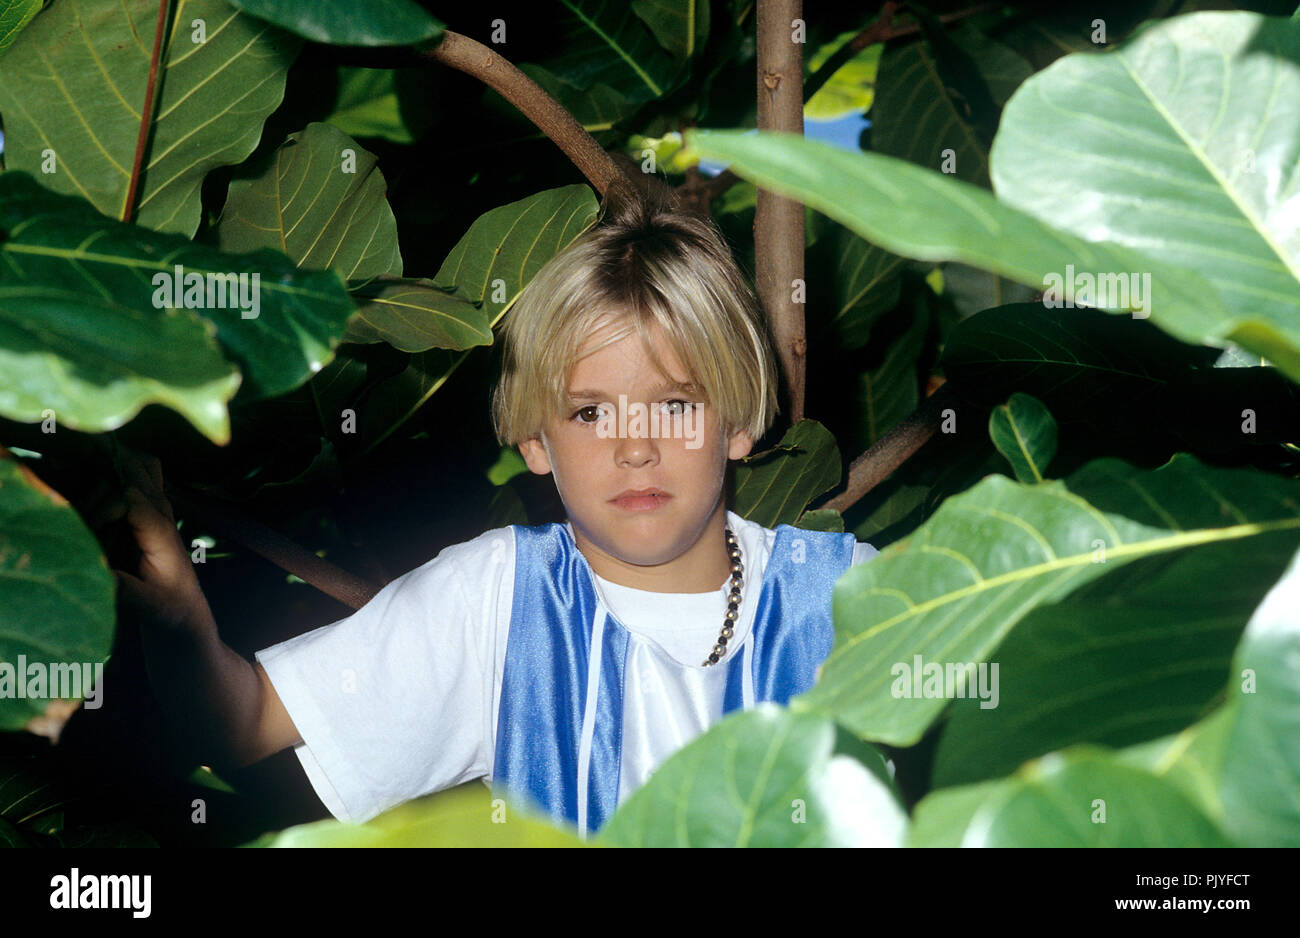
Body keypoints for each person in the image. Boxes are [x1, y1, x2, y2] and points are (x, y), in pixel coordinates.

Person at [113, 185, 878, 839]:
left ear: (737, 422)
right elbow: (241, 725)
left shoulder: (855, 597)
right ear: (535, 440)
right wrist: (182, 620)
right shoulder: (497, 597)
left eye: (675, 404)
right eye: (588, 414)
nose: (634, 447)